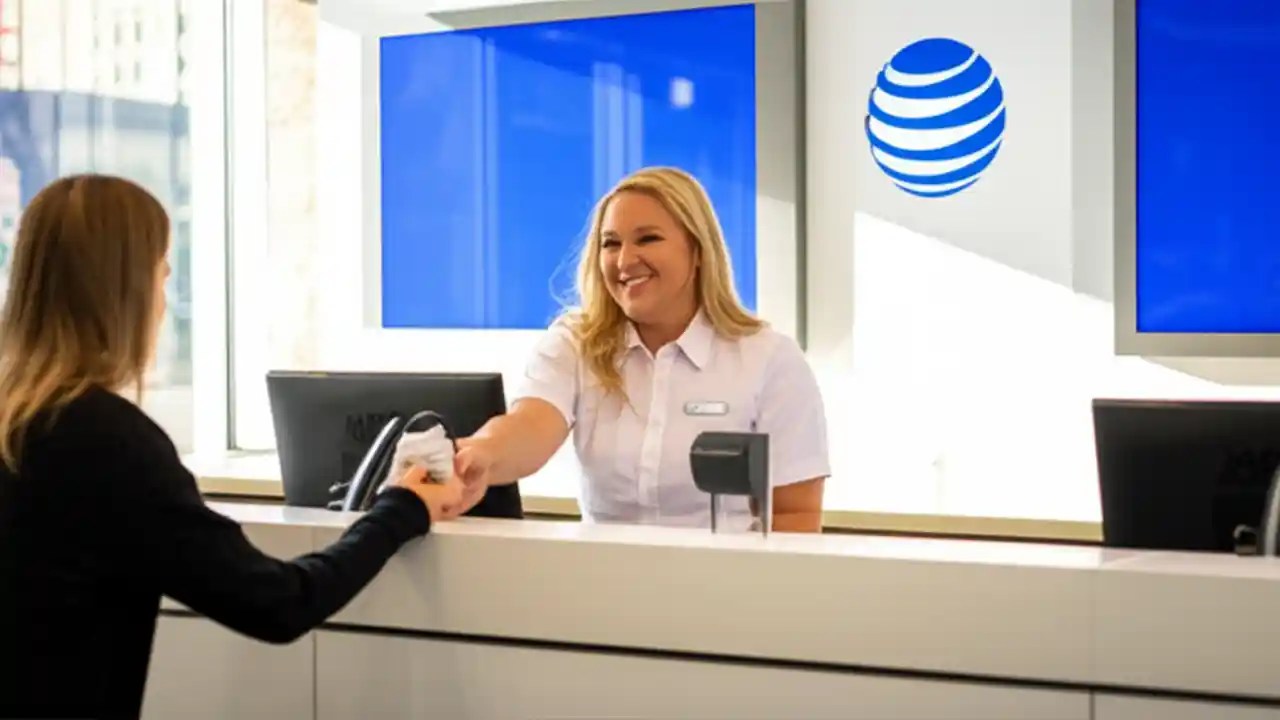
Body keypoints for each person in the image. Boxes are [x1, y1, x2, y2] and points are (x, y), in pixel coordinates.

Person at [0, 175, 465, 719]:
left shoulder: (27, 424)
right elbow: (279, 603)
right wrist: (402, 508)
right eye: (161, 273)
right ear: (128, 289)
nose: (163, 298)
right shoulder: (109, 442)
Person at [455, 166, 830, 531]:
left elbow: (794, 515)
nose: (625, 260)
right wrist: (477, 453)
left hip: (726, 572)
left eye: (647, 239)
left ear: (698, 250)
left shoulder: (769, 358)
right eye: (611, 244)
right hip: (604, 570)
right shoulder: (575, 343)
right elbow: (530, 425)